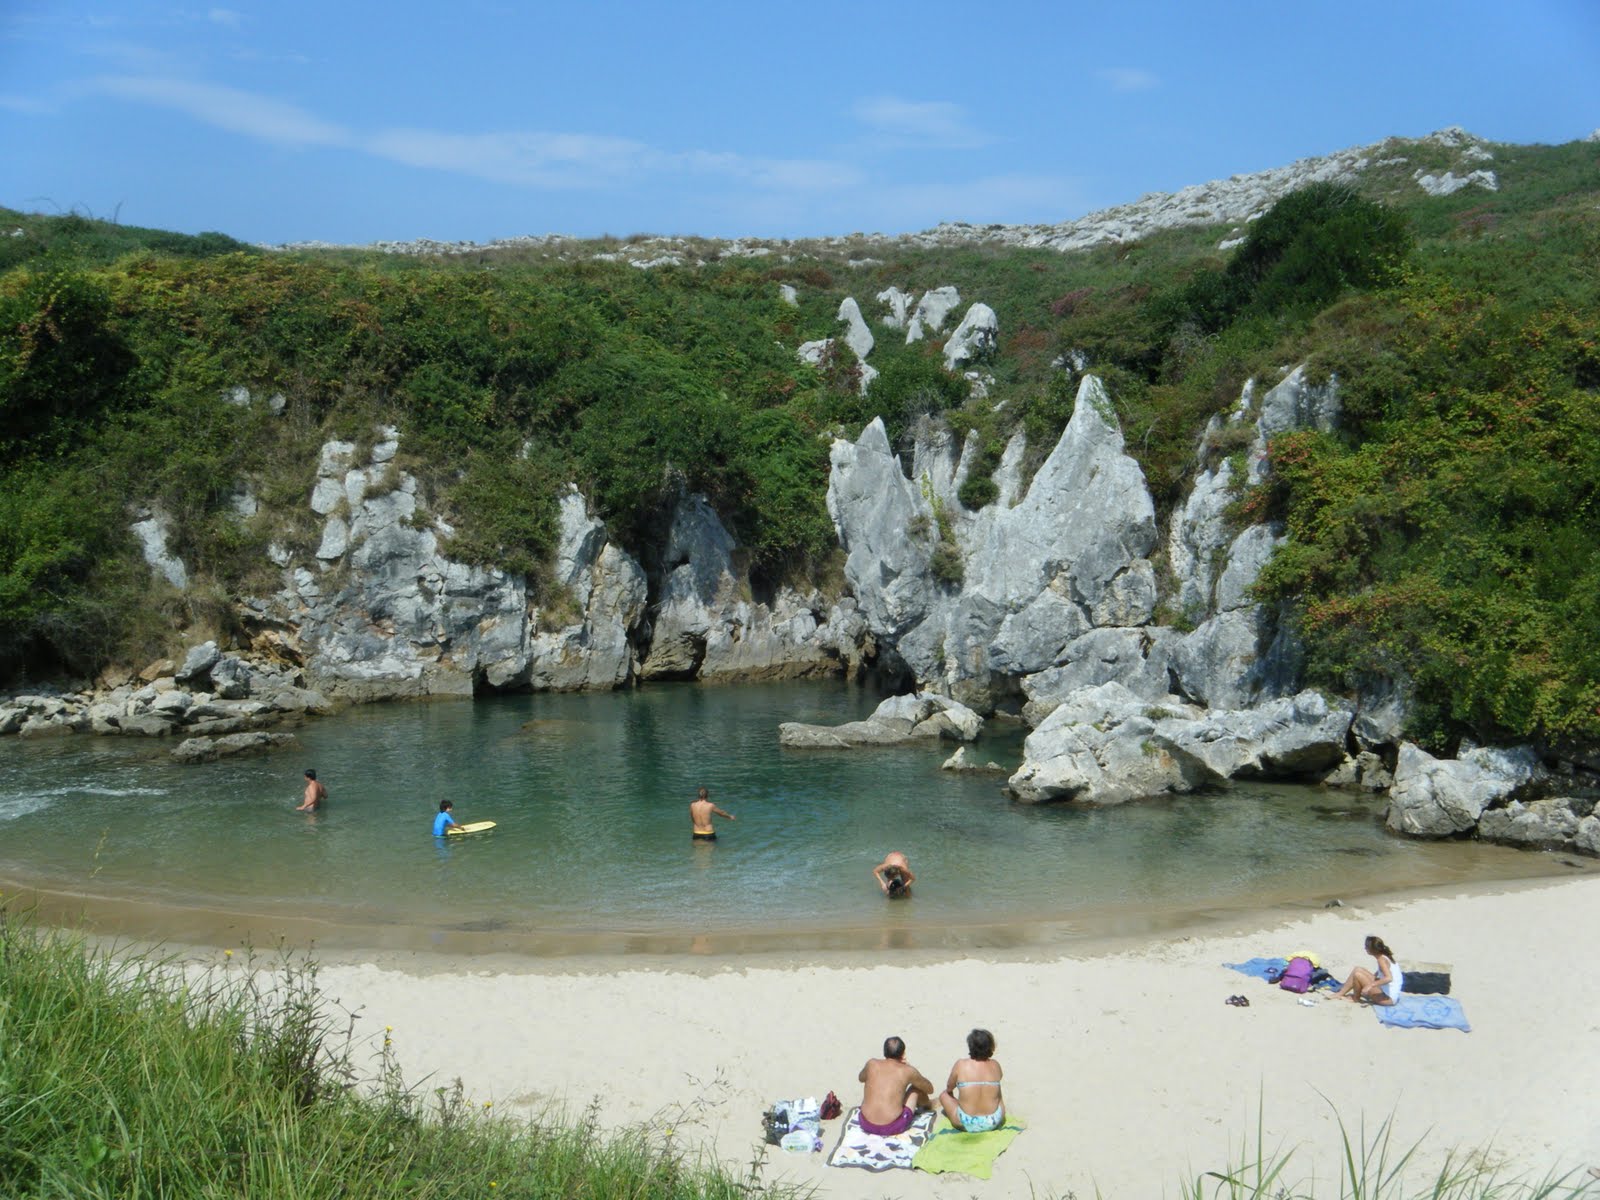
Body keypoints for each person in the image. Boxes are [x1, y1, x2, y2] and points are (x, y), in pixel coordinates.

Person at [856, 1036, 934, 1137]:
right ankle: (928, 1105)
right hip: (892, 1127)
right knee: (915, 1089)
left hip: (866, 1124)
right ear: (903, 1054)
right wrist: (909, 1068)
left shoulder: (872, 1064)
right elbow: (929, 1089)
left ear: (884, 1052)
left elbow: (861, 1078)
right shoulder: (907, 1070)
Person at [938, 1028, 1005, 1133]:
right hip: (993, 1121)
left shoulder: (960, 1064)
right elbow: (999, 1077)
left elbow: (949, 1087)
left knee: (944, 1095)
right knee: (997, 1088)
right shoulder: (995, 1065)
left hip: (966, 1122)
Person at [1337, 935, 1404, 1005]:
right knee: (1358, 969)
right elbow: (1383, 971)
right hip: (1388, 993)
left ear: (1373, 949)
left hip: (1388, 999)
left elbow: (1389, 978)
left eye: (1366, 947)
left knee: (1357, 975)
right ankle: (1340, 993)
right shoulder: (1384, 955)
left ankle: (1355, 998)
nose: (1365, 948)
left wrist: (1370, 985)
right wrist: (1371, 978)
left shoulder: (1381, 960)